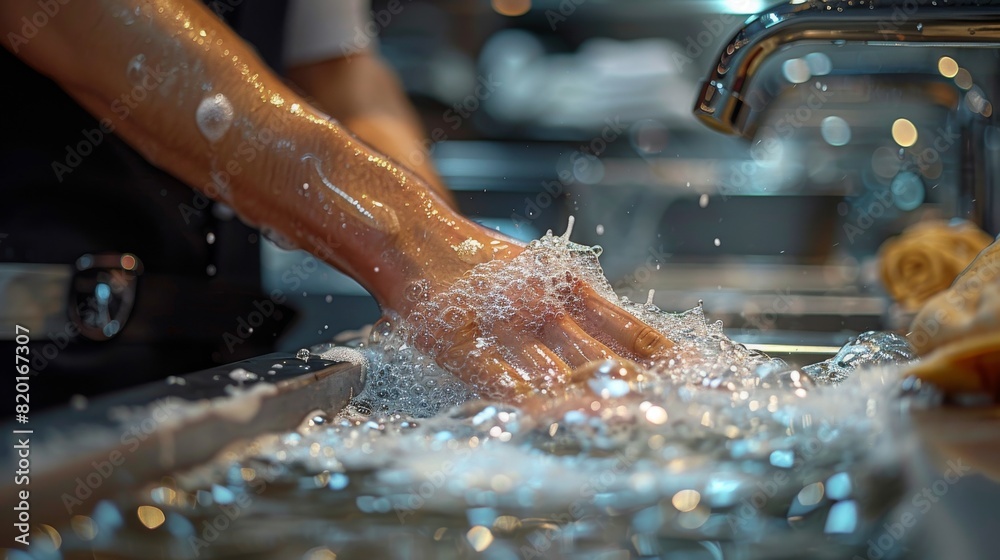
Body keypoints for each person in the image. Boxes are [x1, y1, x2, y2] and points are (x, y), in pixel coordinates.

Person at [1, 0, 674, 402]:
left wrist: (446, 275)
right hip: (26, 352)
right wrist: (412, 240)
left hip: (199, 348)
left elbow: (340, 72)